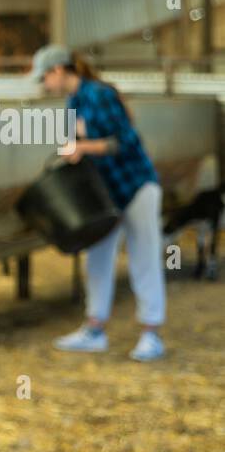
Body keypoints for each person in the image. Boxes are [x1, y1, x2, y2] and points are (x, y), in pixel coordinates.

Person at [31, 44, 166, 362]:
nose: (44, 85)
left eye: (44, 78)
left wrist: (84, 148)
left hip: (135, 186)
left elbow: (127, 142)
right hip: (104, 194)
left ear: (59, 70)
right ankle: (94, 330)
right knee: (99, 257)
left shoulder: (98, 94)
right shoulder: (74, 101)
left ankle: (152, 333)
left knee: (143, 256)